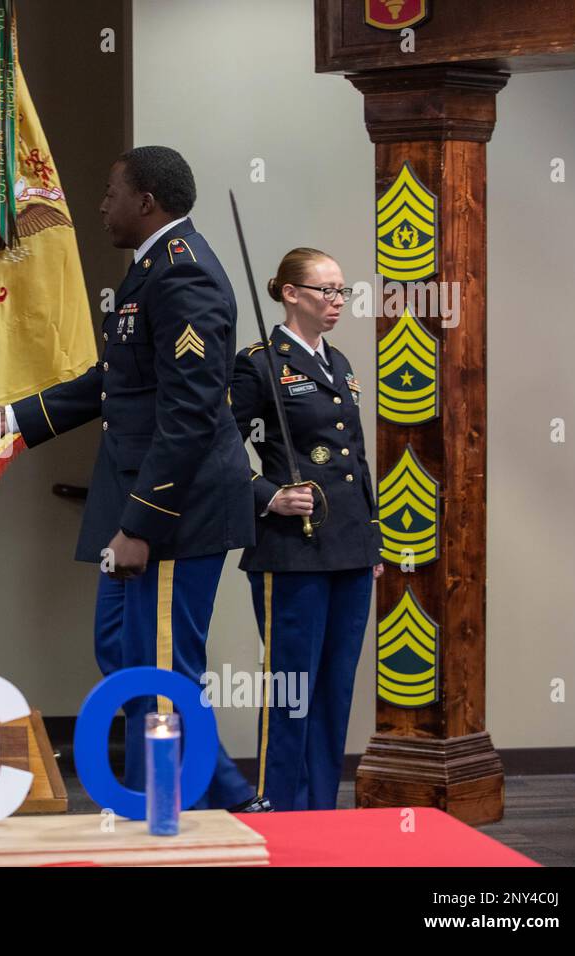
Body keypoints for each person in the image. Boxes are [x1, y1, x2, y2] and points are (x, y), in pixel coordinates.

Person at [0, 146, 264, 810]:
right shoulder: (152, 271)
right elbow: (115, 383)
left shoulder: (184, 277)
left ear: (146, 201)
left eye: (110, 192)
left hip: (174, 515)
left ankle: (170, 806)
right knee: (121, 652)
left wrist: (139, 527)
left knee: (158, 669)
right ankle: (205, 791)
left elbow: (187, 416)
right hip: (138, 503)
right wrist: (9, 419)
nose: (101, 205)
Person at [230, 247, 383, 811]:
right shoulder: (258, 363)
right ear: (291, 293)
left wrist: (371, 538)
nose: (337, 300)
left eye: (342, 290)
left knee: (335, 688)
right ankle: (282, 808)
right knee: (293, 689)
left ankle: (322, 810)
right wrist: (268, 496)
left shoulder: (338, 363)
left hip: (348, 549)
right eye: (325, 290)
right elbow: (219, 446)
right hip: (292, 551)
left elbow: (356, 458)